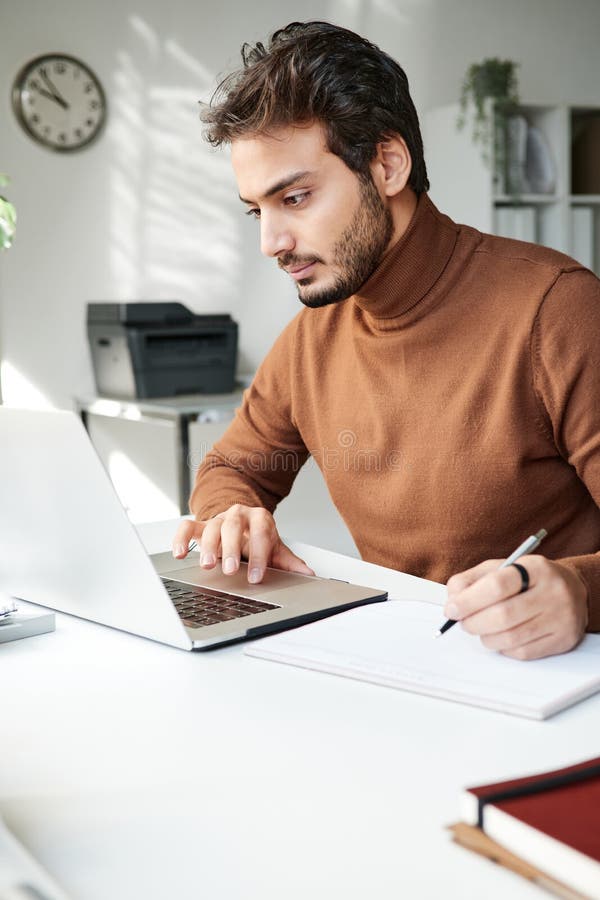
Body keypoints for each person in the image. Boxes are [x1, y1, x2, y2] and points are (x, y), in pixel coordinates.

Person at [172, 20, 600, 659]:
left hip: (551, 682)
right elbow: (232, 465)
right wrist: (231, 514)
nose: (271, 242)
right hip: (405, 667)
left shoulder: (556, 308)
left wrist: (578, 590)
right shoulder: (310, 339)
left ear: (388, 164)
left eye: (295, 197)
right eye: (258, 210)